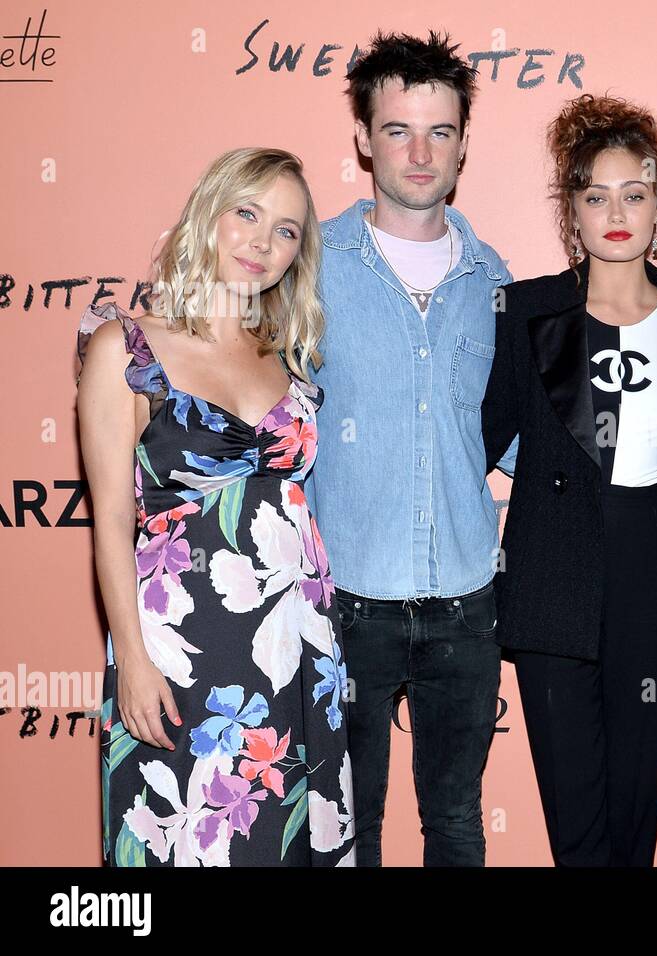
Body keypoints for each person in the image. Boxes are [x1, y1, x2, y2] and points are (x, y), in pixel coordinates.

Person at [77, 147, 355, 866]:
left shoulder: (287, 355)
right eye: (248, 213)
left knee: (286, 842)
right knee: (186, 832)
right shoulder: (127, 347)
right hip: (182, 640)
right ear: (209, 213)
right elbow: (109, 520)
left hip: (296, 643)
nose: (264, 242)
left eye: (288, 231)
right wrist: (131, 658)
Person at [481, 94, 657, 867]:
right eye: (595, 196)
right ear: (573, 214)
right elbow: (472, 446)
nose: (615, 213)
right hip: (556, 578)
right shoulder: (526, 313)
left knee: (635, 819)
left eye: (635, 194)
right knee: (577, 827)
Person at [305, 31, 514, 867]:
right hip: (344, 598)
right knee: (350, 829)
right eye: (398, 130)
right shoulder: (309, 266)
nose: (419, 153)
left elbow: (525, 443)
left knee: (457, 823)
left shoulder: (496, 283)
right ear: (363, 137)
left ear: (464, 142)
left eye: (439, 132)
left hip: (467, 600)